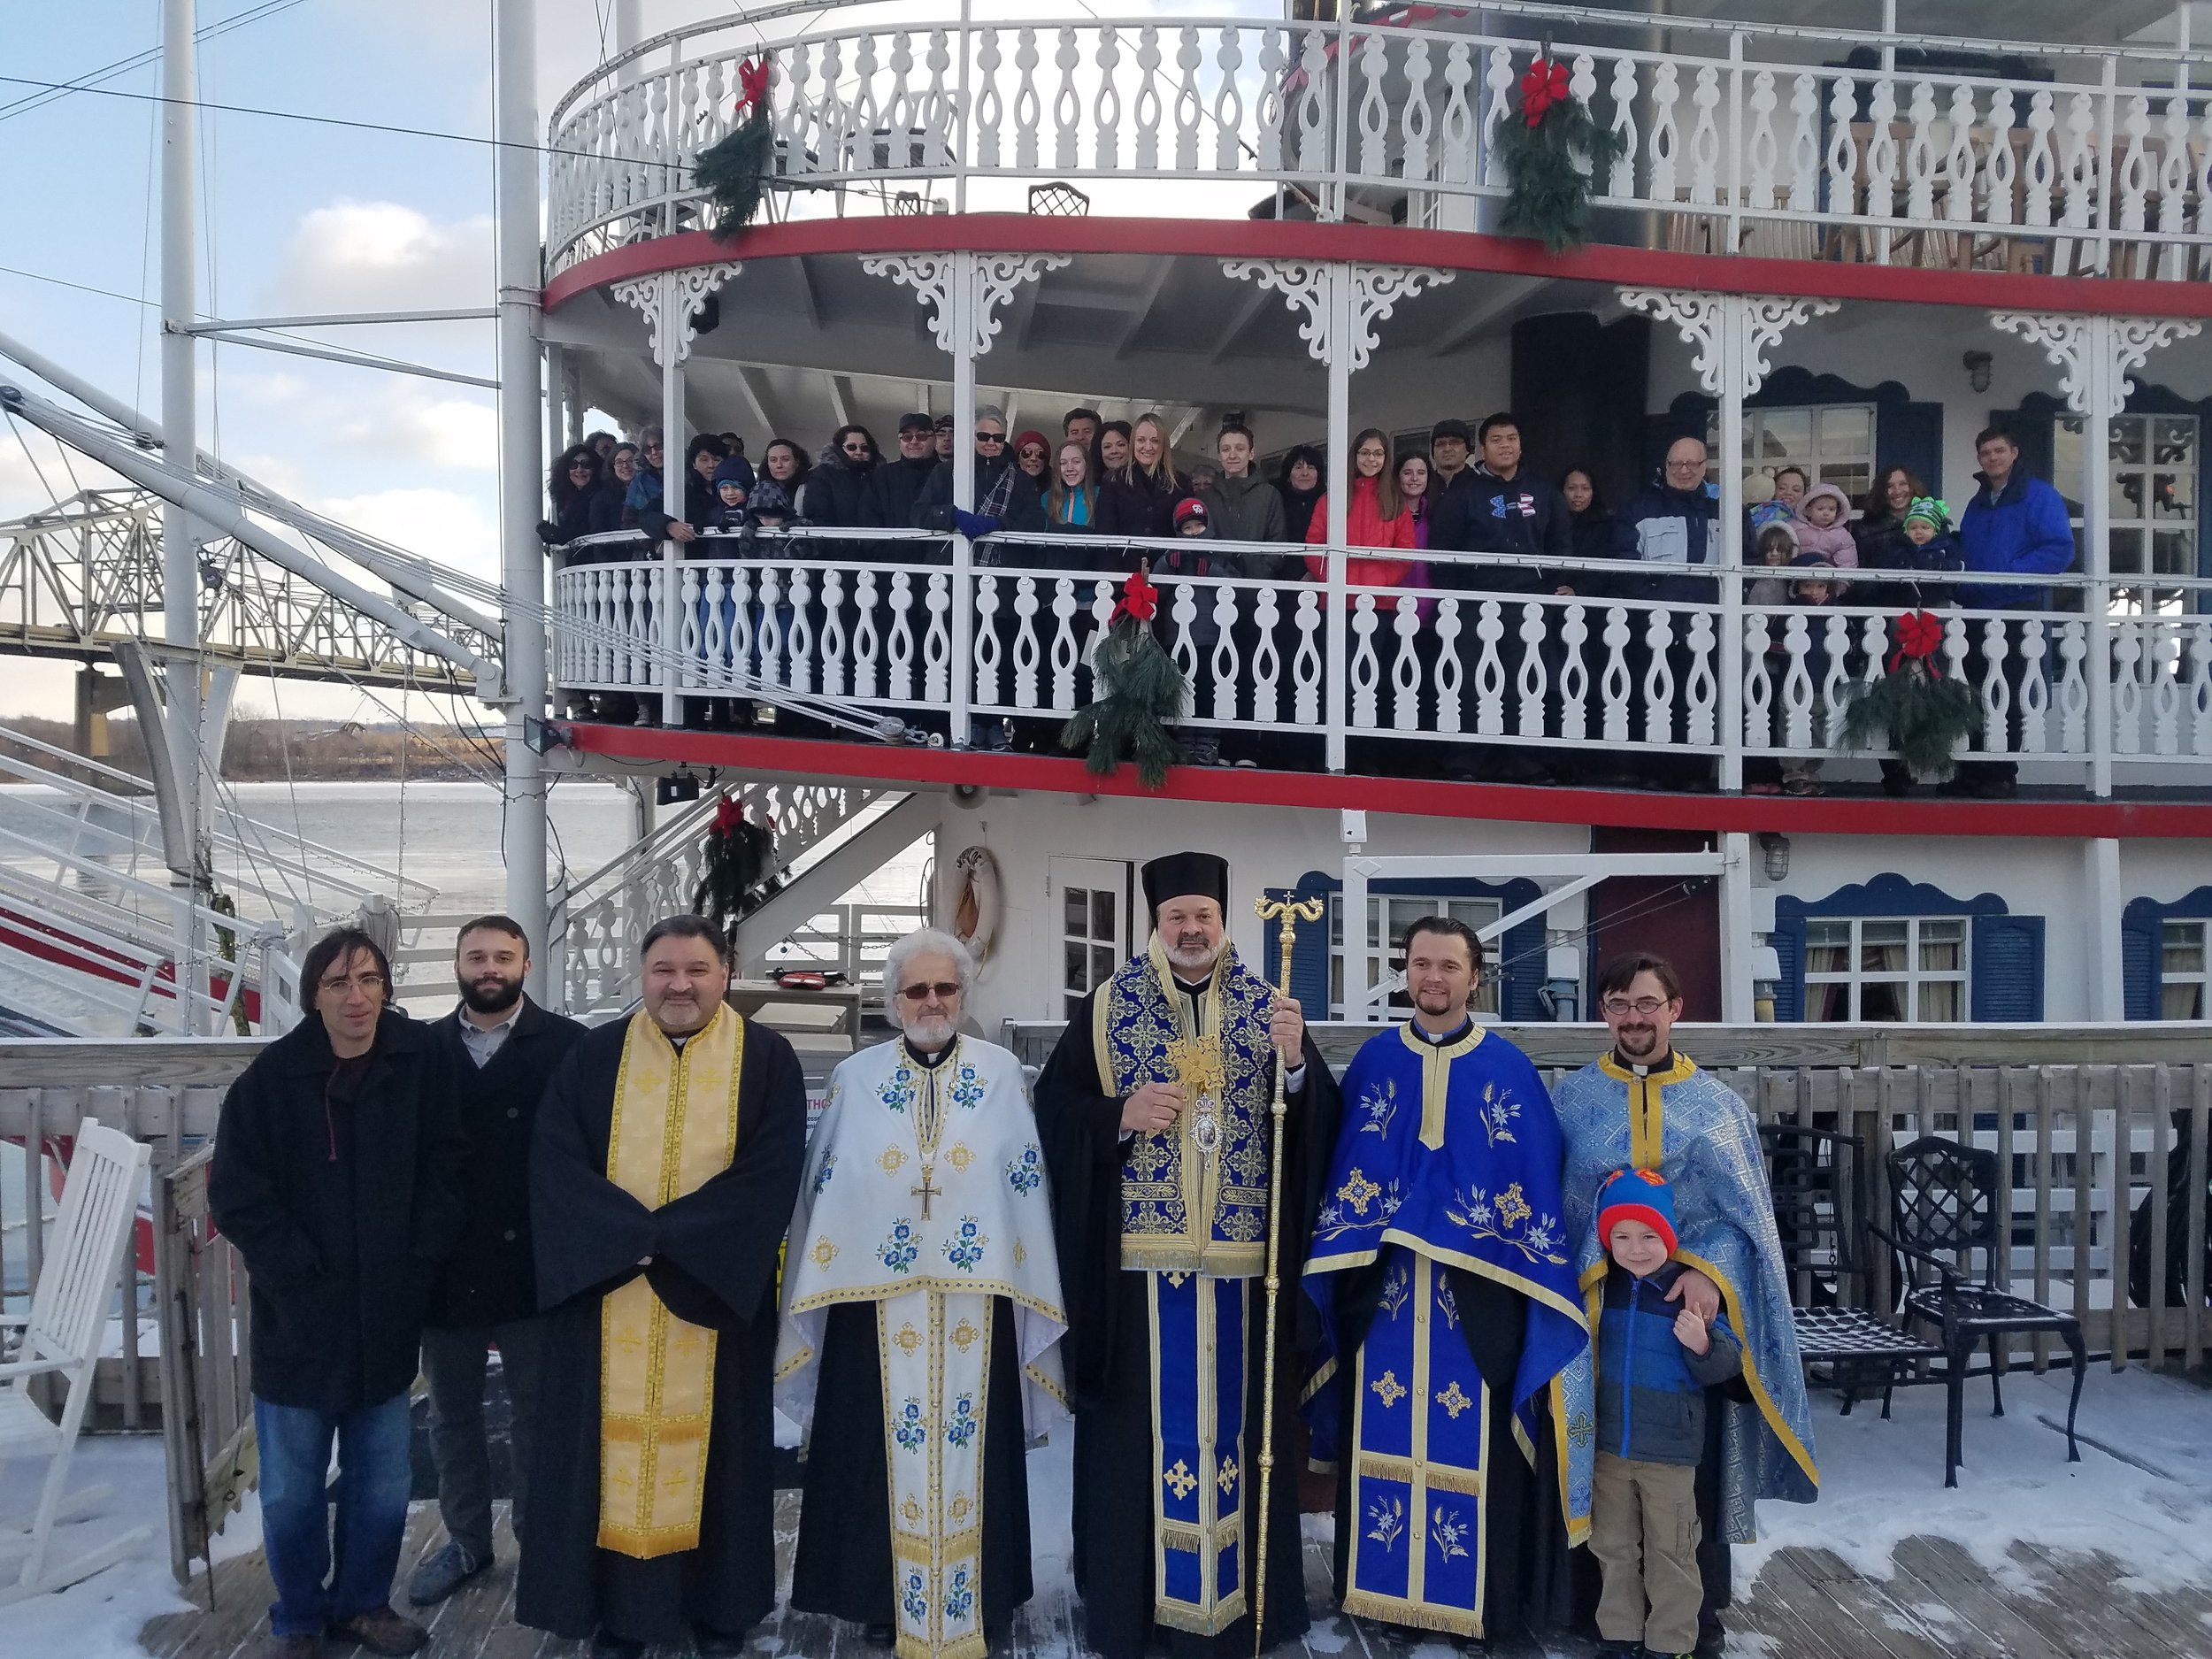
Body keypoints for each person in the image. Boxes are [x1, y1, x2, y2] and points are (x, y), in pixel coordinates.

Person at [1033, 852, 1342, 1659]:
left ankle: (1248, 1607)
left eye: (1204, 915)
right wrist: (1120, 1114)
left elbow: (1315, 1129)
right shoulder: (1108, 1007)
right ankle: (1132, 1606)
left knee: (1238, 1438)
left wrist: (1301, 1062)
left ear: (1222, 919)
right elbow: (1055, 1108)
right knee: (1137, 1439)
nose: (1192, 929)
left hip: (1246, 1273)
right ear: (1156, 924)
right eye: (1177, 918)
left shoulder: (1268, 1004)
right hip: (1138, 1270)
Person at [517, 916, 809, 1659]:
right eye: (663, 970)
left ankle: (720, 1608)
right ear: (640, 975)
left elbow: (771, 1172)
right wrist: (629, 1242)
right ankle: (619, 1616)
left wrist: (666, 1242)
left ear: (726, 973)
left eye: (697, 970)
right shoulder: (596, 1055)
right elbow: (555, 1162)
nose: (680, 984)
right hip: (607, 1296)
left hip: (714, 1296)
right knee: (604, 1460)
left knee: (725, 1461)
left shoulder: (766, 1059)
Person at [779, 929, 1069, 1659]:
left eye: (946, 989)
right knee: (869, 1453)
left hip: (979, 1302)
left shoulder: (1005, 1076)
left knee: (985, 1454)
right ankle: (878, 1596)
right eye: (917, 989)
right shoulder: (855, 1077)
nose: (933, 1001)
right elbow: (825, 1187)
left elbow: (1025, 1187)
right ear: (892, 1001)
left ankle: (986, 1593)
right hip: (871, 1303)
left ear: (963, 996)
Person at [1302, 917, 1591, 1647]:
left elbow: (1530, 1179)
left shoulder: (1509, 1070)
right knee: (1382, 1432)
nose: (1434, 977)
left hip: (1478, 1297)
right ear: (1404, 972)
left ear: (1475, 977)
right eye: (1420, 963)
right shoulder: (1374, 1062)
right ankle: (1383, 1599)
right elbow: (1344, 1167)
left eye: (1449, 965)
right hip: (1386, 1296)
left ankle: (1477, 1603)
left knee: (1481, 1444)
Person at [208, 927, 467, 1659]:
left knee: (382, 1484)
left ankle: (363, 1603)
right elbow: (237, 1195)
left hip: (387, 1313)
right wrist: (299, 1273)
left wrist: (418, 1258)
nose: (357, 997)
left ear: (387, 988)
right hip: (299, 1319)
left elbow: (448, 1164)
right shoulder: (271, 1080)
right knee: (291, 1491)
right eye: (338, 983)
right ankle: (299, 1612)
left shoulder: (419, 1063)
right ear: (313, 994)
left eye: (370, 980)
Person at [1549, 954, 1817, 1658]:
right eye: (1618, 1003)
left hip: (1689, 1320)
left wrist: (1706, 1270)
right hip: (1601, 1320)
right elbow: (1557, 1209)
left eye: (1647, 1003)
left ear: (1675, 1008)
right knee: (1604, 1465)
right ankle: (1605, 1615)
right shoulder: (1573, 1101)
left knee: (1683, 1477)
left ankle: (1689, 1620)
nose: (1633, 1017)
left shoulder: (1716, 1106)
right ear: (1603, 1011)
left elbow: (1745, 1218)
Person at [409, 917, 588, 1609]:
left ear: (527, 963)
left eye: (502, 956)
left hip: (534, 1260)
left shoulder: (571, 1044)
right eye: (476, 955)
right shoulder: (421, 1048)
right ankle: (465, 1542)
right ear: (457, 963)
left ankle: (542, 1540)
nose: (490, 967)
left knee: (539, 1414)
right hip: (445, 1261)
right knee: (449, 1415)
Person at [1587, 1170, 1744, 1659]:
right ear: (1607, 1240)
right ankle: (1620, 1634)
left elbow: (1729, 1365)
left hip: (1672, 1453)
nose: (1636, 1249)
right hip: (1610, 1447)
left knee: (1672, 1552)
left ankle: (1670, 1641)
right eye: (1623, 1236)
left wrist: (1702, 1345)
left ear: (1670, 1238)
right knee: (1613, 1547)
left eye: (1650, 1235)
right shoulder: (1599, 1292)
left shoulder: (1687, 1291)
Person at [1955, 426, 2076, 797]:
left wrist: (2011, 572)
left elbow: (2058, 550)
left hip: (2016, 607)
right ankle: (1972, 771)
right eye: (1985, 453)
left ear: (2015, 452)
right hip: (1976, 608)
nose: (1992, 458)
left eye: (1999, 450)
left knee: (2007, 691)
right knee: (1973, 691)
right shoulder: (1978, 502)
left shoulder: (2039, 496)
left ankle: (2002, 773)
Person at [1440, 412, 1573, 598]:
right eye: (1496, 440)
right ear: (1483, 448)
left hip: (1533, 598)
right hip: (1475, 599)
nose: (1505, 445)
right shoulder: (1462, 491)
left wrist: (1550, 587)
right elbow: (1444, 546)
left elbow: (1560, 542)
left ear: (1520, 445)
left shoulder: (1544, 491)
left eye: (1512, 438)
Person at [1304, 427, 1416, 595]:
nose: (1371, 459)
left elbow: (1405, 552)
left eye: (1378, 453)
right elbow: (1314, 546)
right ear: (1354, 455)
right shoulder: (1331, 499)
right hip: (1337, 596)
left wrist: (1379, 583)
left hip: (1379, 600)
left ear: (1386, 459)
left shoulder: (1396, 502)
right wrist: (1334, 580)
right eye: (1364, 452)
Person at [1613, 437, 1720, 604]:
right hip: (1655, 621)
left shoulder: (1725, 512)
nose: (1683, 471)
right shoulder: (1638, 510)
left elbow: (1747, 559)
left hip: (1714, 620)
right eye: (1676, 464)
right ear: (1666, 465)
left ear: (1704, 466)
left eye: (1691, 464)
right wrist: (1653, 603)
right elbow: (1625, 565)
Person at [1200, 422, 1288, 556]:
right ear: (1219, 455)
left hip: (1258, 576)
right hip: (1216, 575)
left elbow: (1278, 541)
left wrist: (1262, 571)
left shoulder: (1269, 495)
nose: (1232, 455)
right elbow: (1199, 541)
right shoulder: (1205, 497)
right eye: (1226, 449)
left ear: (1251, 453)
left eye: (1240, 449)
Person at [1096, 412, 1183, 541]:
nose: (1147, 447)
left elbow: (1187, 533)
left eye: (1155, 441)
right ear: (1133, 444)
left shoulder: (1181, 483)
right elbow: (1104, 535)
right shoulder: (1113, 481)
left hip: (1167, 560)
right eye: (1141, 440)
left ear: (1164, 444)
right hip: (1123, 560)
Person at [871, 413, 944, 531]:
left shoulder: (948, 475)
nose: (914, 441)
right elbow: (869, 517)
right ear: (899, 442)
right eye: (907, 437)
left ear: (934, 440)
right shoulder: (881, 476)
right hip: (892, 548)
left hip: (937, 548)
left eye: (921, 436)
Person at [1422, 418, 1479, 555]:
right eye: (1440, 444)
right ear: (1433, 452)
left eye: (1455, 443)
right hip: (1427, 570)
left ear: (1467, 449)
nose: (1447, 448)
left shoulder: (1481, 486)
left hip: (1471, 570)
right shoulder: (1421, 486)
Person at [1853, 465, 1925, 572]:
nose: (1897, 491)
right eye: (1889, 486)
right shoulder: (1865, 531)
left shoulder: (1934, 524)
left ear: (1913, 487)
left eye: (1903, 484)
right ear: (1881, 492)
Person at [812, 425, 883, 530]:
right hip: (838, 542)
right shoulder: (823, 474)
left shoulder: (881, 475)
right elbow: (817, 515)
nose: (859, 452)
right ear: (839, 449)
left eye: (864, 448)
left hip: (879, 542)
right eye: (851, 447)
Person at [541, 444, 605, 549]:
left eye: (586, 464)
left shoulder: (602, 497)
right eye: (573, 465)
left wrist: (560, 536)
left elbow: (595, 531)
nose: (579, 470)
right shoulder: (561, 502)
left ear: (595, 468)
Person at [1789, 483, 1859, 569]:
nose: (1826, 513)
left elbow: (1847, 562)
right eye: (1820, 509)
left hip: (1825, 577)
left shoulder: (1841, 536)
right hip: (1796, 573)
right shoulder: (1796, 528)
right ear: (1808, 511)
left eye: (1831, 509)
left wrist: (1841, 581)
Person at [1562, 465, 1615, 565]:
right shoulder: (1551, 523)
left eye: (1585, 488)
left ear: (1593, 492)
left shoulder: (1605, 525)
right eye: (1571, 488)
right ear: (1562, 491)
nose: (1578, 494)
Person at [1273, 444, 1325, 544]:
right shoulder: (1277, 501)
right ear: (1288, 474)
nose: (1305, 473)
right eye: (1298, 467)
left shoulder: (1328, 502)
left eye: (1310, 467)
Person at [1396, 450, 1433, 549]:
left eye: (1421, 473)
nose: (1414, 478)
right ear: (1397, 476)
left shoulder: (1437, 511)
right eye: (1407, 473)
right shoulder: (1387, 511)